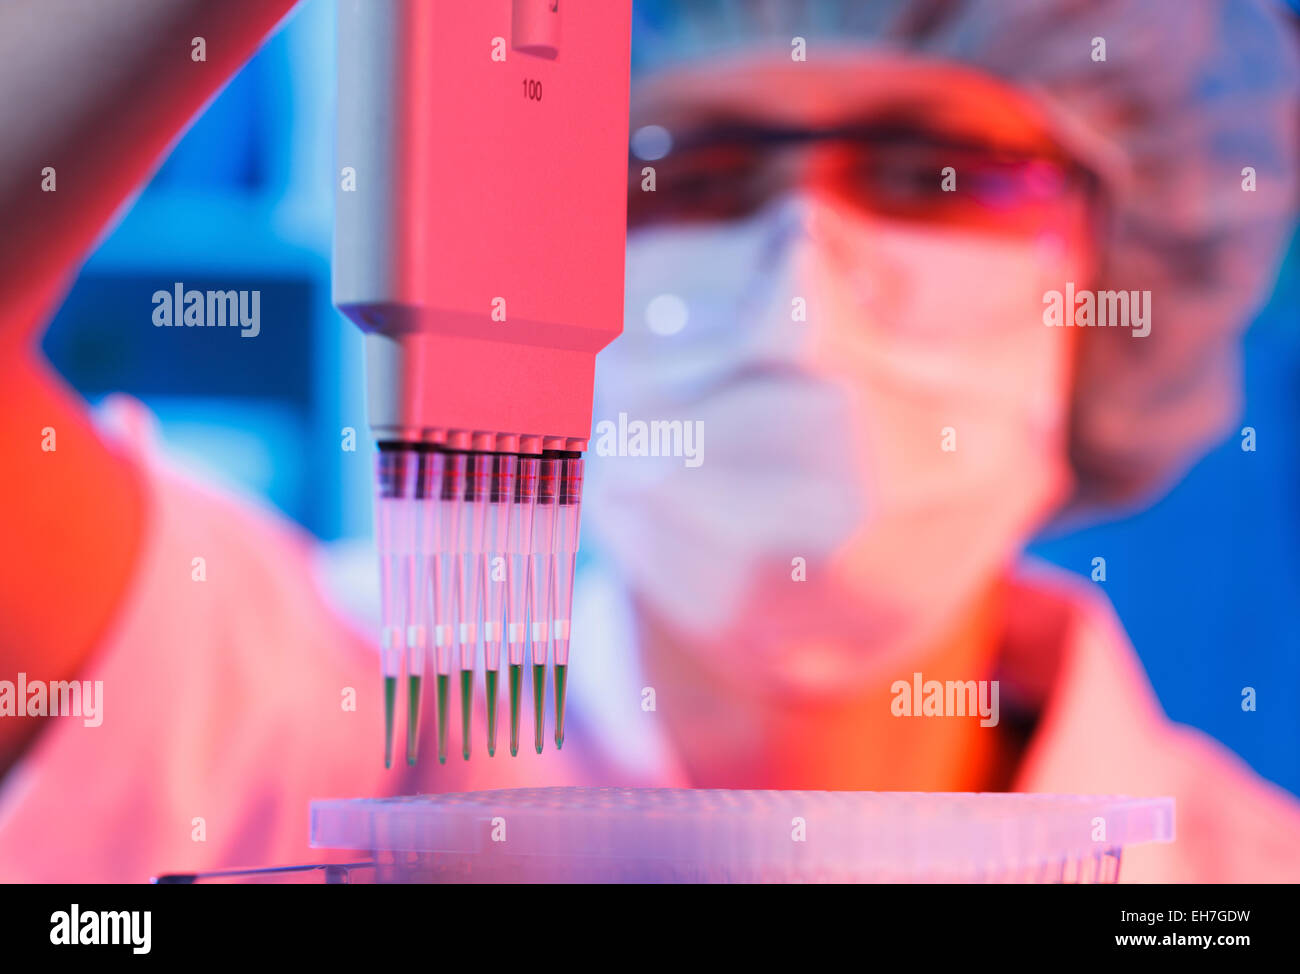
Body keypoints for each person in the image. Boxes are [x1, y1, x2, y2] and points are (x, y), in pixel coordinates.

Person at [0, 0, 1297, 883]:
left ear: (1111, 282)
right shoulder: (315, 712)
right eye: (689, 175)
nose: (800, 264)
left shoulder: (1241, 871)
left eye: (931, 175)